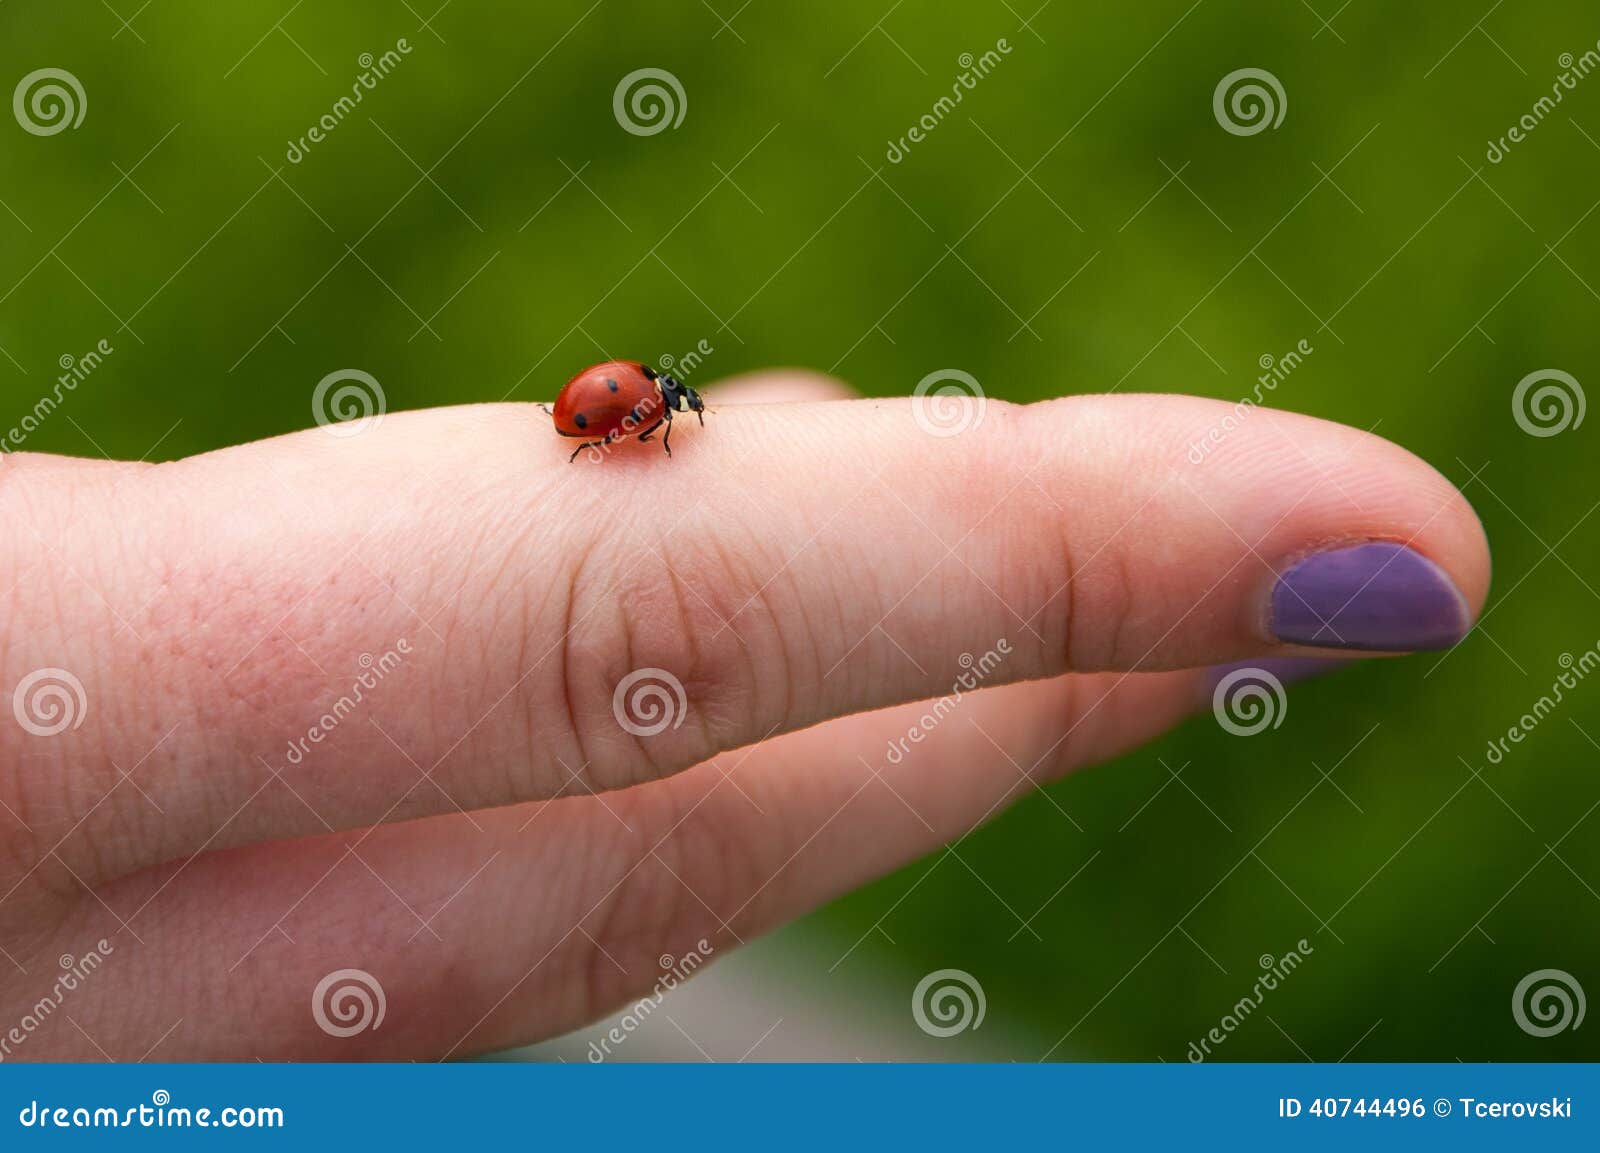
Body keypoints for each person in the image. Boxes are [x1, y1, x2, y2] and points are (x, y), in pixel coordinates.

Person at [0, 372, 1489, 1059]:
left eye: (648, 415)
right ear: (637, 410)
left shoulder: (633, 413)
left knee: (604, 905)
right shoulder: (624, 414)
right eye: (652, 415)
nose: (654, 423)